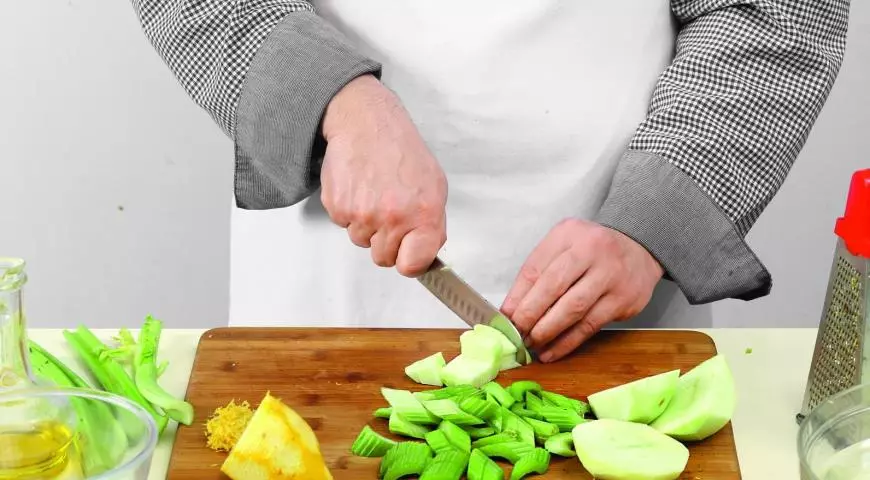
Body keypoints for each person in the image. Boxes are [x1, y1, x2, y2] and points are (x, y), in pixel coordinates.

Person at [129, 1, 850, 362]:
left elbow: (776, 8)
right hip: (329, 262)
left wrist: (659, 216)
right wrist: (333, 103)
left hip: (621, 274)